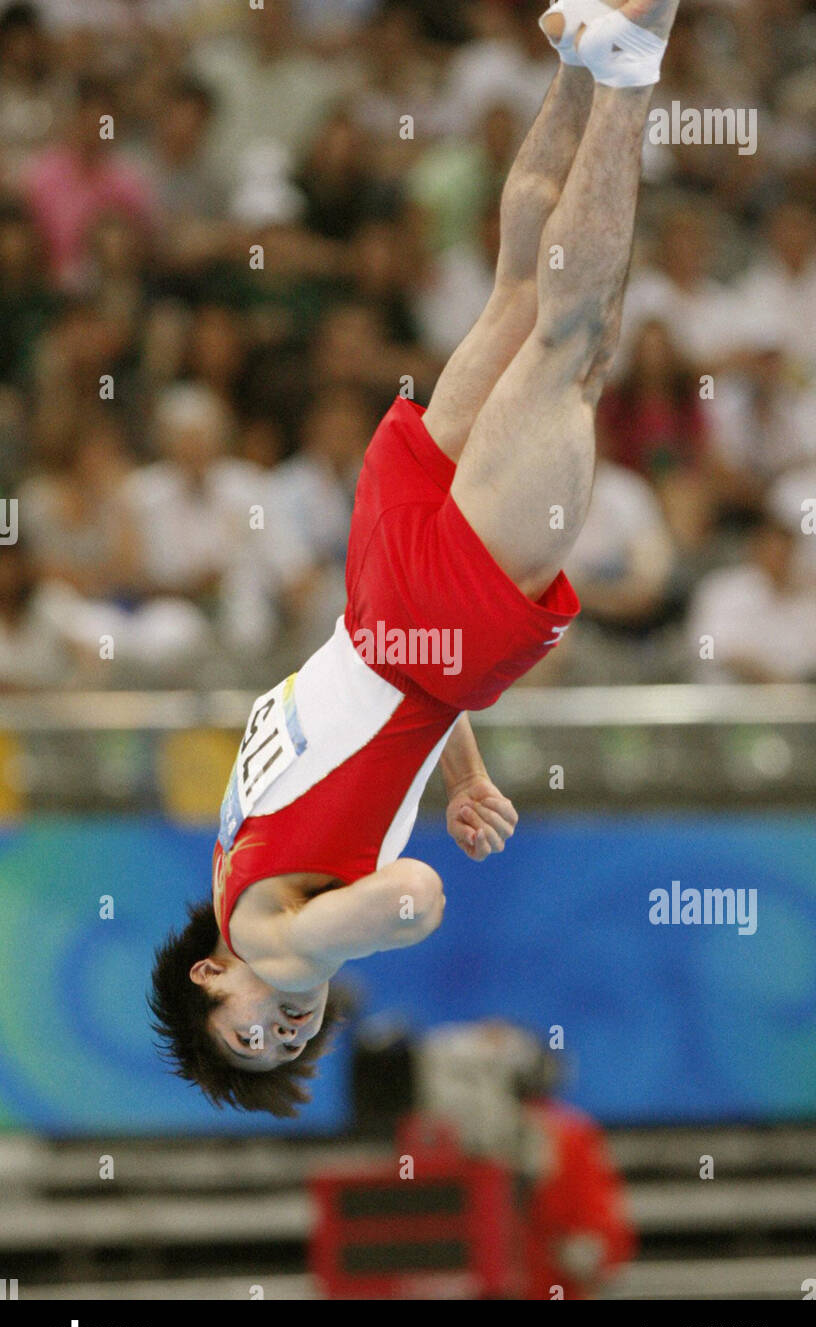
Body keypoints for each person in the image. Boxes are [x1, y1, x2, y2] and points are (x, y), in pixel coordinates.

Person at [150, 0, 684, 1117]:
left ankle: (628, 68)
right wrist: (466, 770)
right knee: (520, 293)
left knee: (572, 348)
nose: (285, 1026)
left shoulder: (275, 937)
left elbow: (414, 892)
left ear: (213, 970)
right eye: (288, 1052)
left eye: (248, 1032)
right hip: (385, 590)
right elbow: (370, 709)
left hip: (436, 627)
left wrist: (381, 926)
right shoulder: (235, 849)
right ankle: (578, 60)